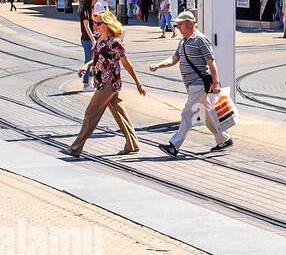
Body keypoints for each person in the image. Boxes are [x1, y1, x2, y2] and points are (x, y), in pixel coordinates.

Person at [149, 10, 231, 155]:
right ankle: (223, 139)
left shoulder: (200, 39)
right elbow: (174, 59)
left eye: (180, 24)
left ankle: (174, 145)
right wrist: (158, 65)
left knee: (187, 113)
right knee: (205, 115)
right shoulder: (183, 41)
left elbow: (211, 62)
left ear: (190, 23)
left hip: (199, 84)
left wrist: (216, 82)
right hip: (191, 85)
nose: (178, 27)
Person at [68, 10, 144, 158]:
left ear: (108, 24)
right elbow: (99, 57)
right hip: (101, 80)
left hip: (109, 81)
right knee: (119, 112)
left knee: (91, 112)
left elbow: (127, 64)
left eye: (98, 23)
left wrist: (138, 83)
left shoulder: (115, 42)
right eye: (94, 23)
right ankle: (132, 144)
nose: (95, 26)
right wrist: (87, 66)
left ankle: (76, 148)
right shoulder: (100, 37)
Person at [77, 0, 97, 92]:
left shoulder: (90, 10)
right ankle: (86, 85)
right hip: (87, 39)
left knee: (94, 61)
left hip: (91, 38)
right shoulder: (85, 11)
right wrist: (93, 39)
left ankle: (89, 81)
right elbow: (86, 26)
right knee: (88, 61)